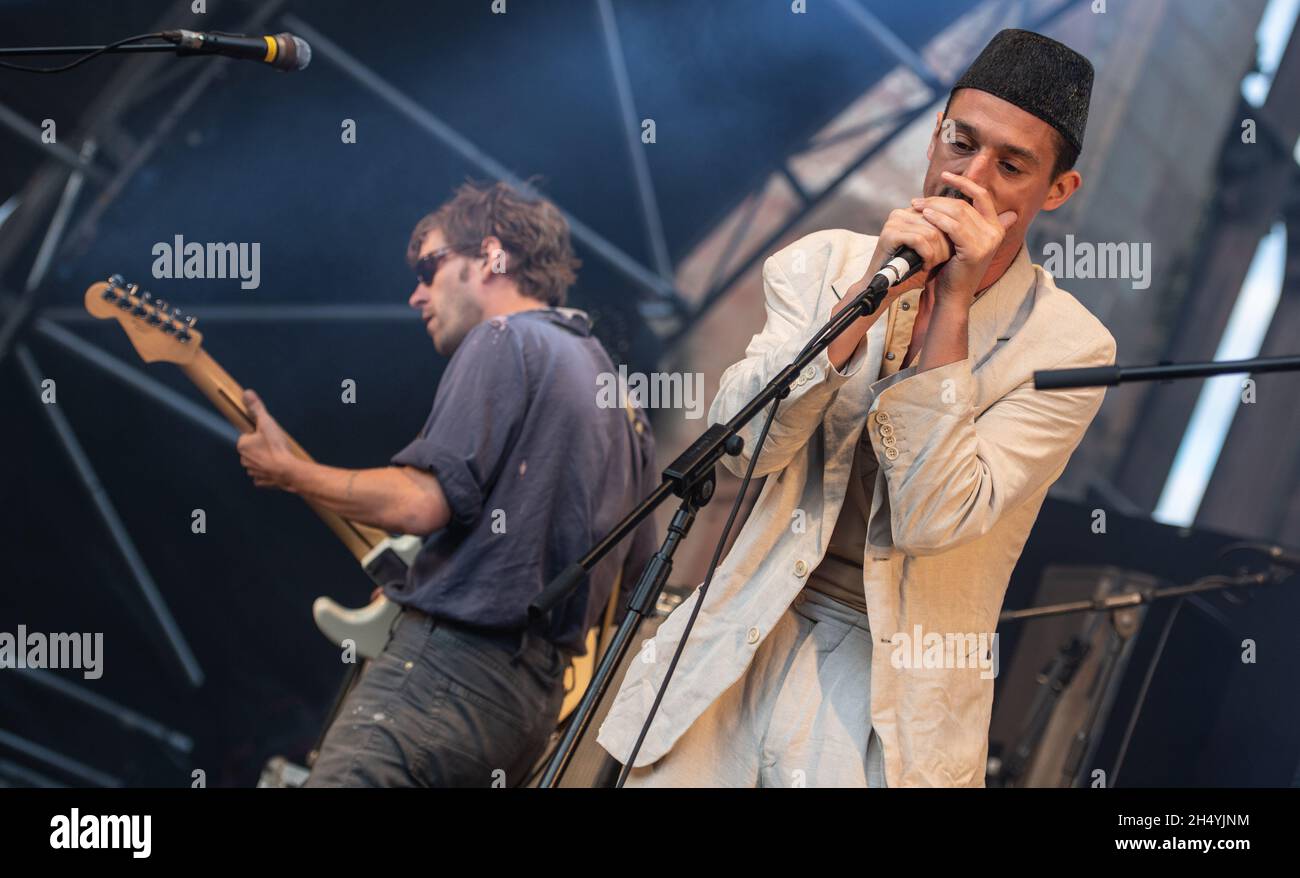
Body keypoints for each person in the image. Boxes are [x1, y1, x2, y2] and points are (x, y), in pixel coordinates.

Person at [597, 29, 1116, 788]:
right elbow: (746, 445)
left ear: (1057, 192)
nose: (970, 178)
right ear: (935, 136)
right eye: (960, 144)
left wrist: (953, 306)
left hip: (886, 692)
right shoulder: (825, 264)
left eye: (1011, 166)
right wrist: (864, 300)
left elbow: (934, 516)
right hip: (743, 635)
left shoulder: (1069, 347)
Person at [237, 180, 657, 787]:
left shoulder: (505, 337)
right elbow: (633, 583)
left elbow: (420, 502)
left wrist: (290, 471)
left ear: (491, 256)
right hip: (528, 713)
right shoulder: (624, 406)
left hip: (444, 672)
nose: (416, 293)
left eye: (430, 266)